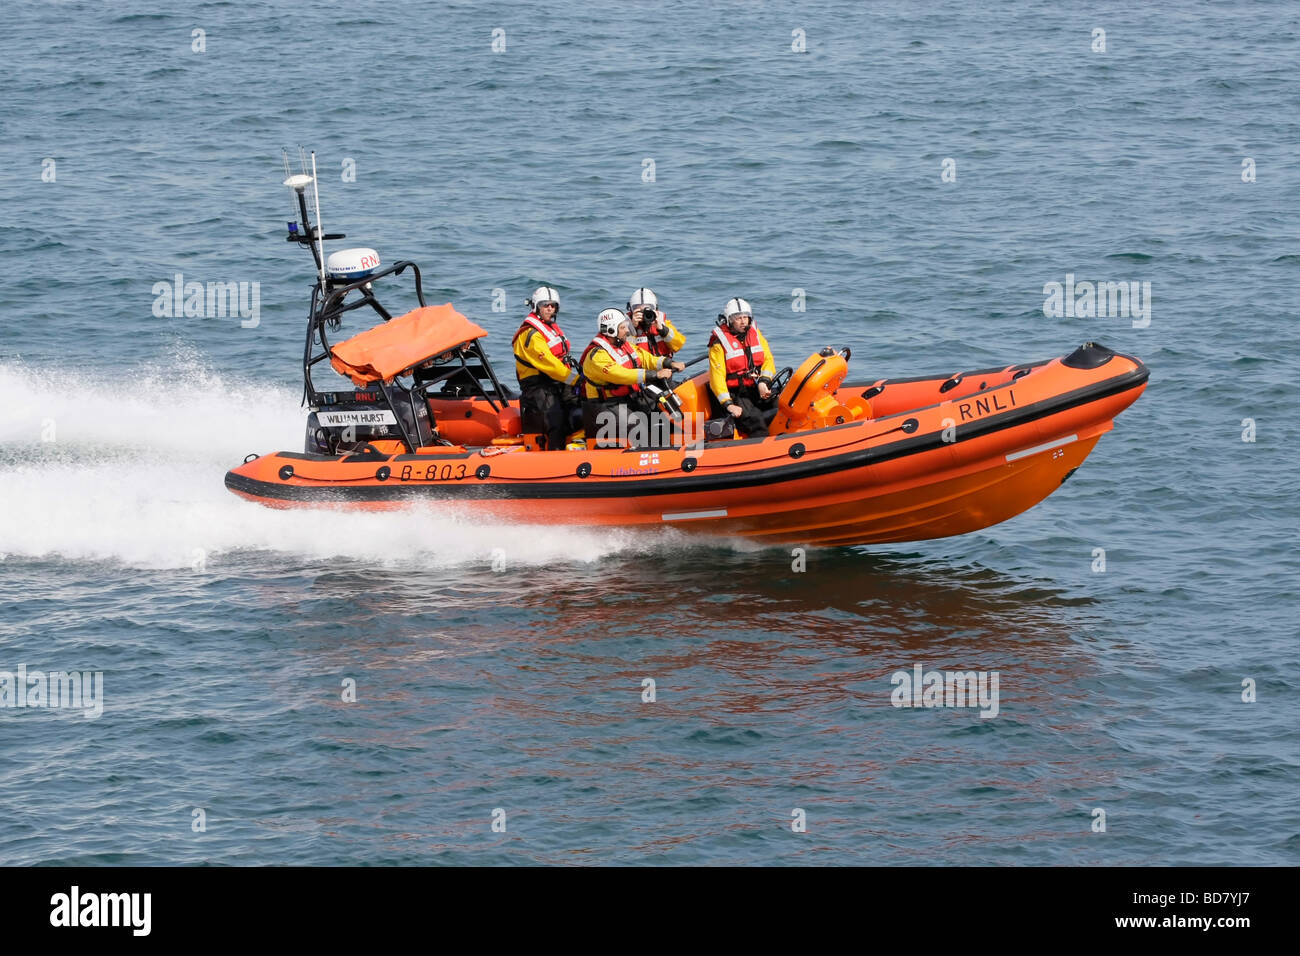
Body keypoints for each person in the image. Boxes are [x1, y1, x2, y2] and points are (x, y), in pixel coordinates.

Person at [580, 308, 684, 447]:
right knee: (637, 426)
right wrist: (653, 374)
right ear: (611, 330)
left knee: (657, 416)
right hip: (605, 404)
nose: (627, 331)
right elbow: (621, 375)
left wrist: (668, 363)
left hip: (627, 398)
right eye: (623, 327)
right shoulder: (596, 356)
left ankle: (668, 450)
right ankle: (647, 458)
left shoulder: (624, 345)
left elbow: (645, 358)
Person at [512, 285, 581, 450]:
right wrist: (576, 380)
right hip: (538, 386)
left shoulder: (550, 329)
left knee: (582, 404)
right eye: (546, 305)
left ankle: (578, 444)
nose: (550, 309)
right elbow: (551, 365)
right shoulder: (531, 334)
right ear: (536, 307)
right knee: (555, 419)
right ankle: (555, 454)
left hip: (556, 381)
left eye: (553, 305)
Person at [708, 296, 778, 437]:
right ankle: (760, 451)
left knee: (781, 404)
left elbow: (768, 359)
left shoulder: (755, 334)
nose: (743, 321)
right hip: (736, 394)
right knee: (756, 420)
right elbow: (717, 378)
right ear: (729, 320)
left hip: (756, 387)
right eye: (738, 318)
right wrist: (728, 404)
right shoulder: (718, 344)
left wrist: (764, 382)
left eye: (745, 317)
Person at [626, 287, 685, 358]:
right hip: (641, 367)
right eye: (639, 310)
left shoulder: (662, 322)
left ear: (655, 309)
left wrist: (662, 329)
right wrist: (632, 329)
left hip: (665, 365)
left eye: (647, 310)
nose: (644, 314)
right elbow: (627, 353)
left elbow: (678, 345)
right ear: (631, 310)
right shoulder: (625, 326)